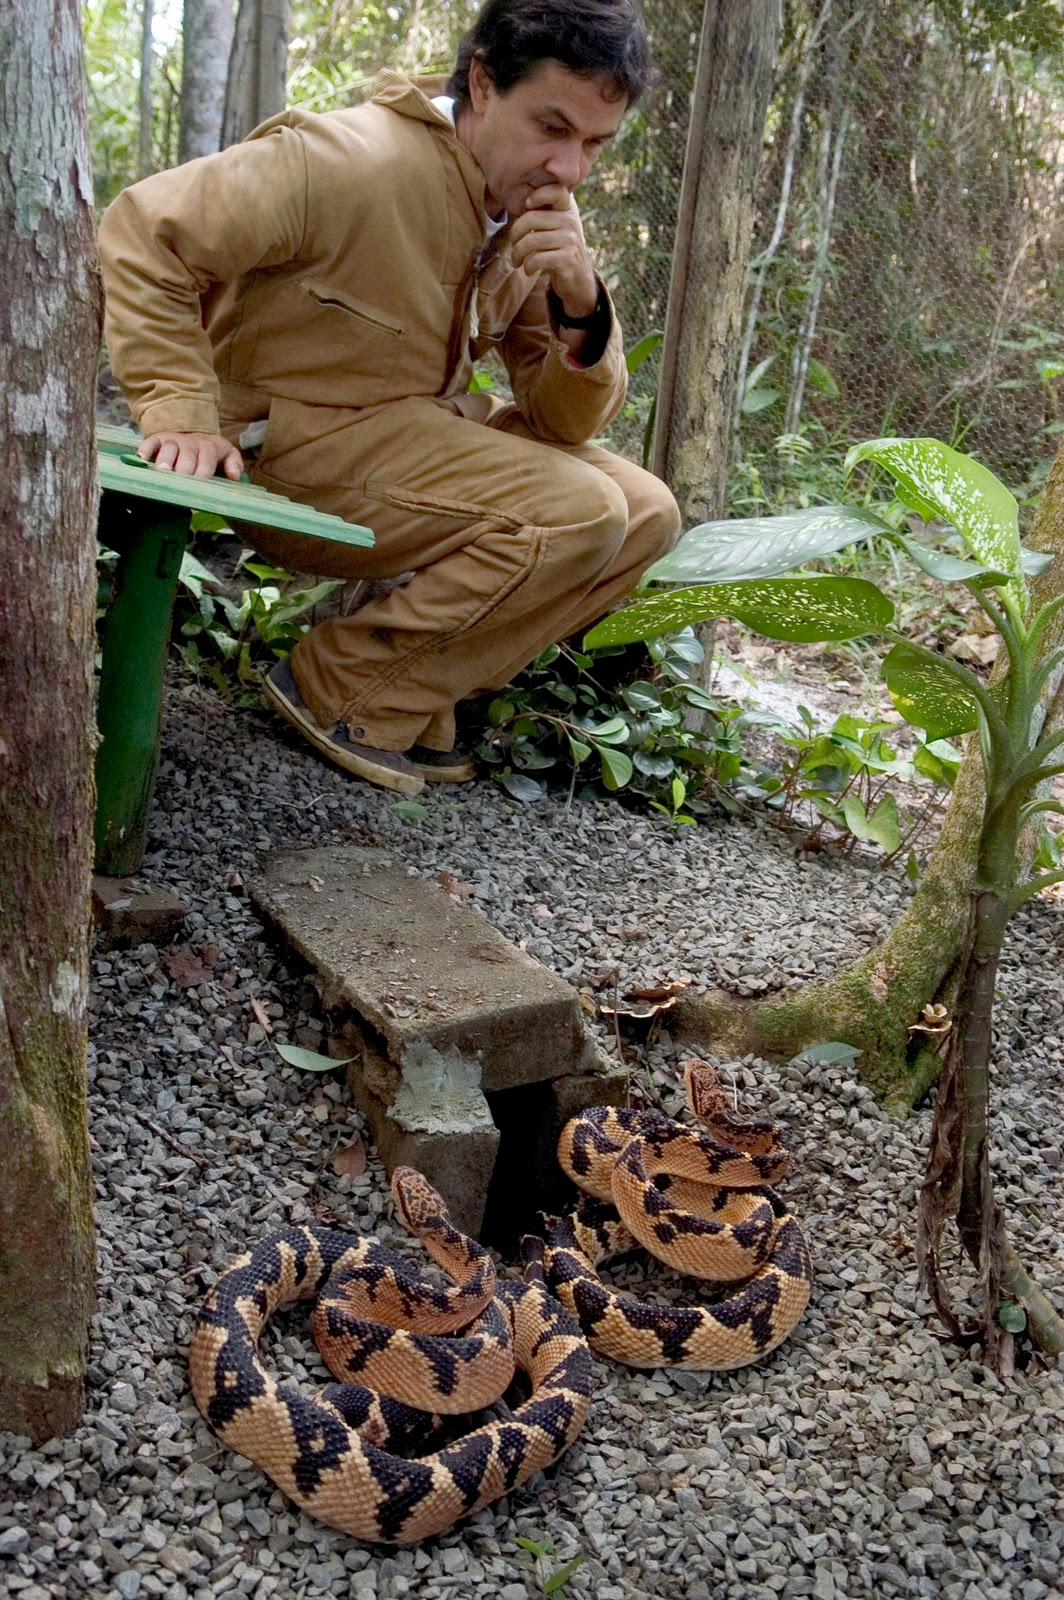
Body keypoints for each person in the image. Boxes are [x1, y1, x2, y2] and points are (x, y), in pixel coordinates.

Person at [98, 0, 681, 797]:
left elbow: (563, 420)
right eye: (553, 127)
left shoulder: (528, 209)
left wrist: (580, 302)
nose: (570, 169)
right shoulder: (351, 160)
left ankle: (415, 688)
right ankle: (345, 687)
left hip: (411, 445)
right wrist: (179, 409)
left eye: (594, 144)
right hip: (293, 449)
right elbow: (144, 230)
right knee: (581, 511)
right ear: (484, 84)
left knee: (647, 512)